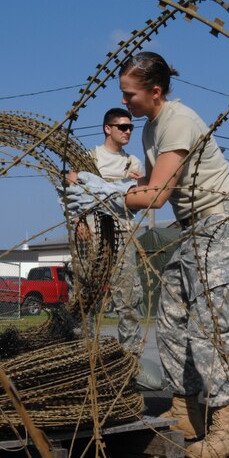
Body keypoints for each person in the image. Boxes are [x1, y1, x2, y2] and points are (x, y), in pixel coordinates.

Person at [66, 52, 229, 458]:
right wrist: (110, 189)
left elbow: (156, 195)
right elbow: (147, 186)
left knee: (209, 325)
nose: (124, 101)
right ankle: (186, 409)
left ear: (154, 91)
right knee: (171, 316)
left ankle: (227, 426)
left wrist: (103, 192)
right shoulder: (152, 128)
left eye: (129, 94)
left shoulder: (177, 121)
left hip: (220, 224)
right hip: (194, 228)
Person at [89, 108, 145, 354]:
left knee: (128, 298)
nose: (128, 131)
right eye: (122, 127)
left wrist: (138, 185)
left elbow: (139, 201)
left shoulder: (133, 163)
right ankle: (85, 353)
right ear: (107, 128)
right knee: (87, 295)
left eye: (130, 127)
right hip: (93, 231)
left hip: (123, 231)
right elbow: (73, 195)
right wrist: (79, 223)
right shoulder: (90, 159)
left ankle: (130, 356)